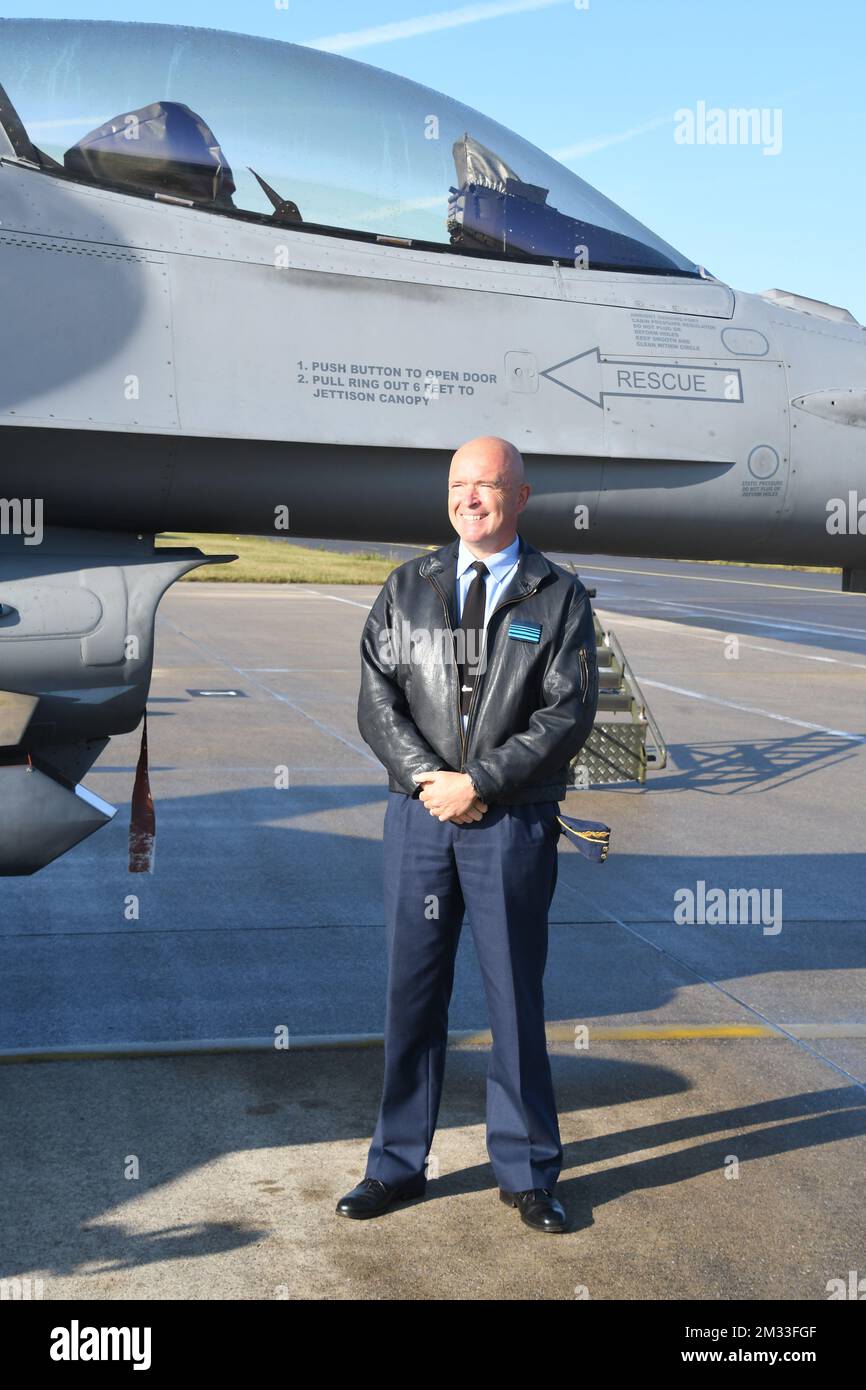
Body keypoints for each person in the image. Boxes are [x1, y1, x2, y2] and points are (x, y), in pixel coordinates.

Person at [336, 436, 598, 1232]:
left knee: (513, 997)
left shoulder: (558, 597)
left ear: (521, 497)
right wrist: (428, 780)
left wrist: (479, 783)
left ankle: (526, 1172)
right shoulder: (408, 587)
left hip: (509, 824)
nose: (470, 498)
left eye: (488, 485)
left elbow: (567, 715)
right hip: (420, 820)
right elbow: (376, 695)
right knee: (411, 994)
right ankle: (396, 1165)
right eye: (459, 484)